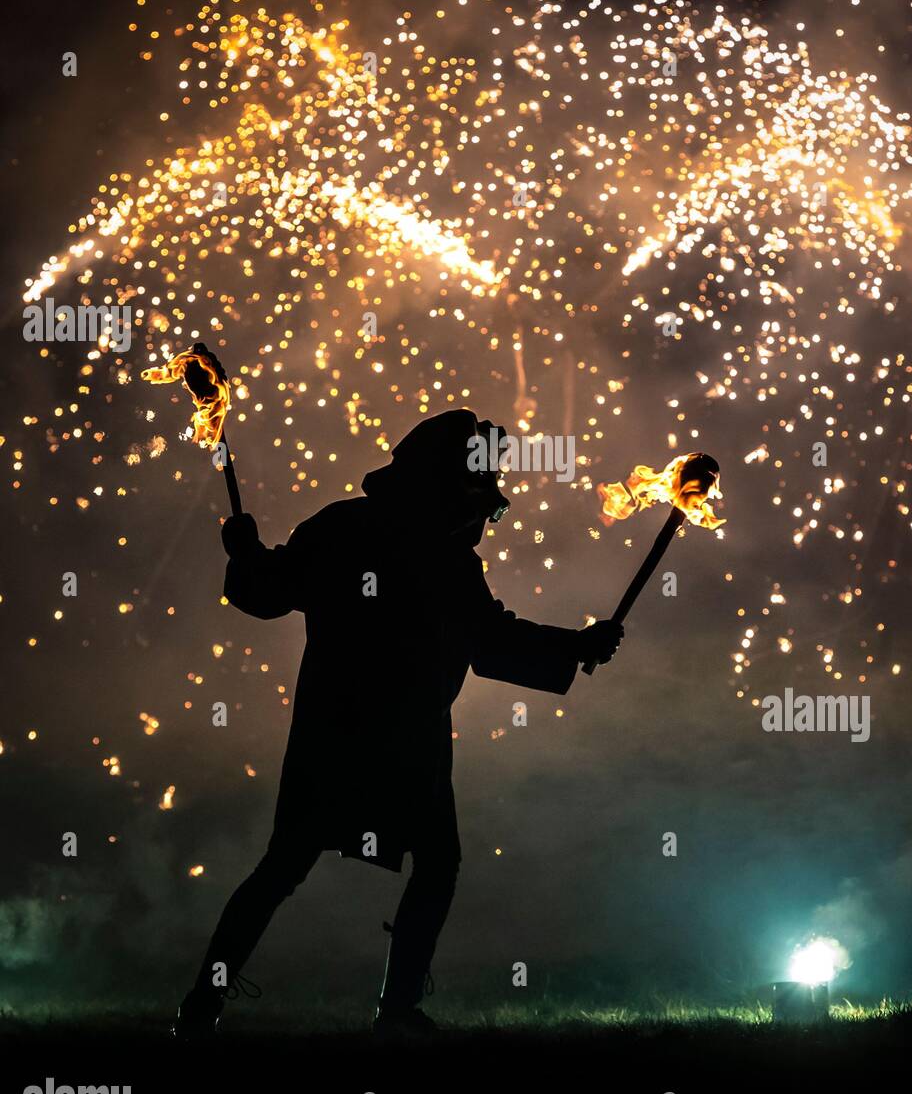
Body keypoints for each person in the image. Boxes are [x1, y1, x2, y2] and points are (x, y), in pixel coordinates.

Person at [174, 409, 623, 1039]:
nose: (486, 498)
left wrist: (245, 549)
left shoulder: (339, 528)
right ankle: (397, 1011)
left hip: (331, 735)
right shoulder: (444, 558)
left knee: (282, 867)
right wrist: (576, 647)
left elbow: (266, 593)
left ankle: (202, 1006)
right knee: (435, 863)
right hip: (407, 742)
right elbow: (491, 644)